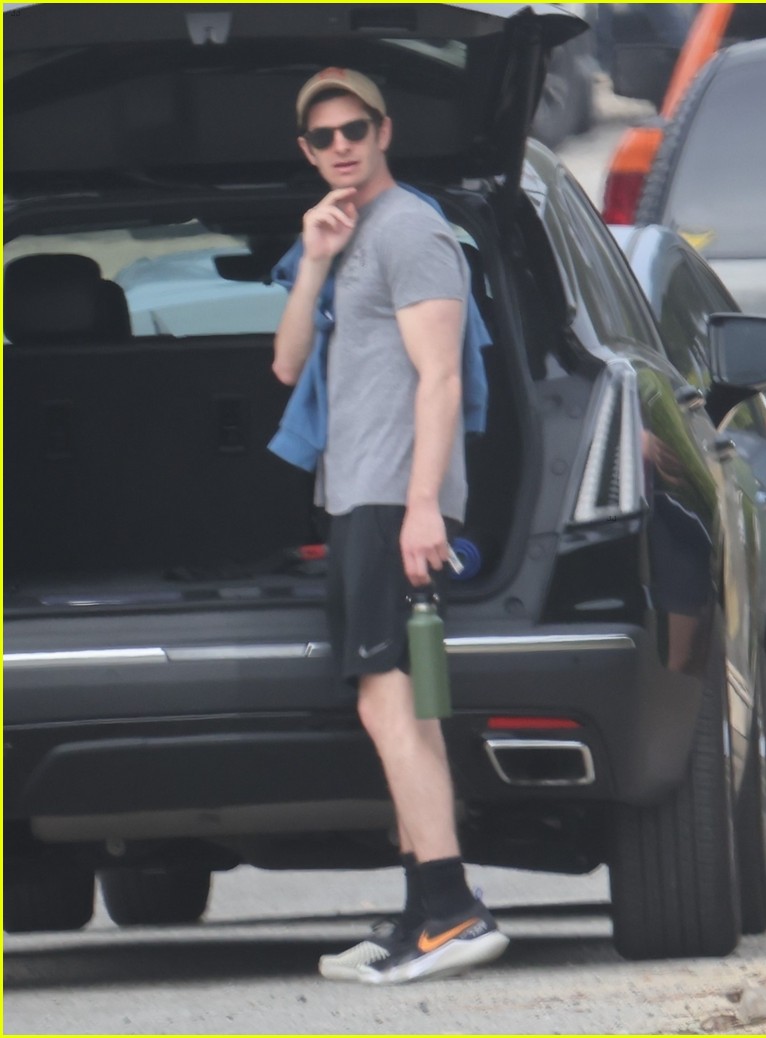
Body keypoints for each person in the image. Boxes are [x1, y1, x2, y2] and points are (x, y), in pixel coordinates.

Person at [272, 67, 508, 982]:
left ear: (385, 131)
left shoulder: (412, 230)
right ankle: (424, 909)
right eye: (323, 136)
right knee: (400, 704)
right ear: (307, 150)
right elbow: (288, 365)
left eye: (355, 129)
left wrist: (421, 507)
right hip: (357, 494)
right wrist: (315, 257)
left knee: (386, 703)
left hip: (392, 496)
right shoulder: (344, 235)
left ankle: (451, 910)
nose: (341, 146)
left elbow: (441, 376)